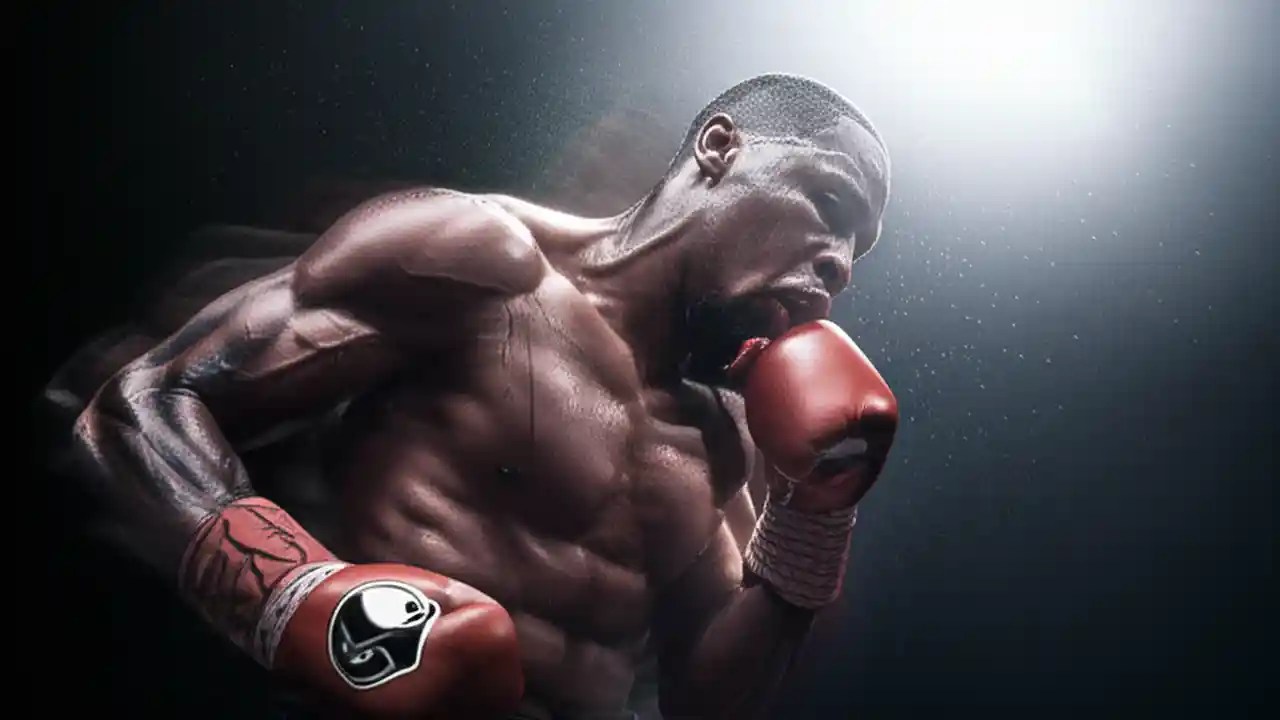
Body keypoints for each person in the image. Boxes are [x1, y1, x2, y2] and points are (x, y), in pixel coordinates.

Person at [62, 73, 897, 720]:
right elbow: (140, 406)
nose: (839, 264)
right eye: (827, 205)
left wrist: (815, 520)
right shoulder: (483, 263)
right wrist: (296, 601)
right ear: (719, 148)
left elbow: (707, 703)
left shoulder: (731, 439)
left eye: (856, 251)